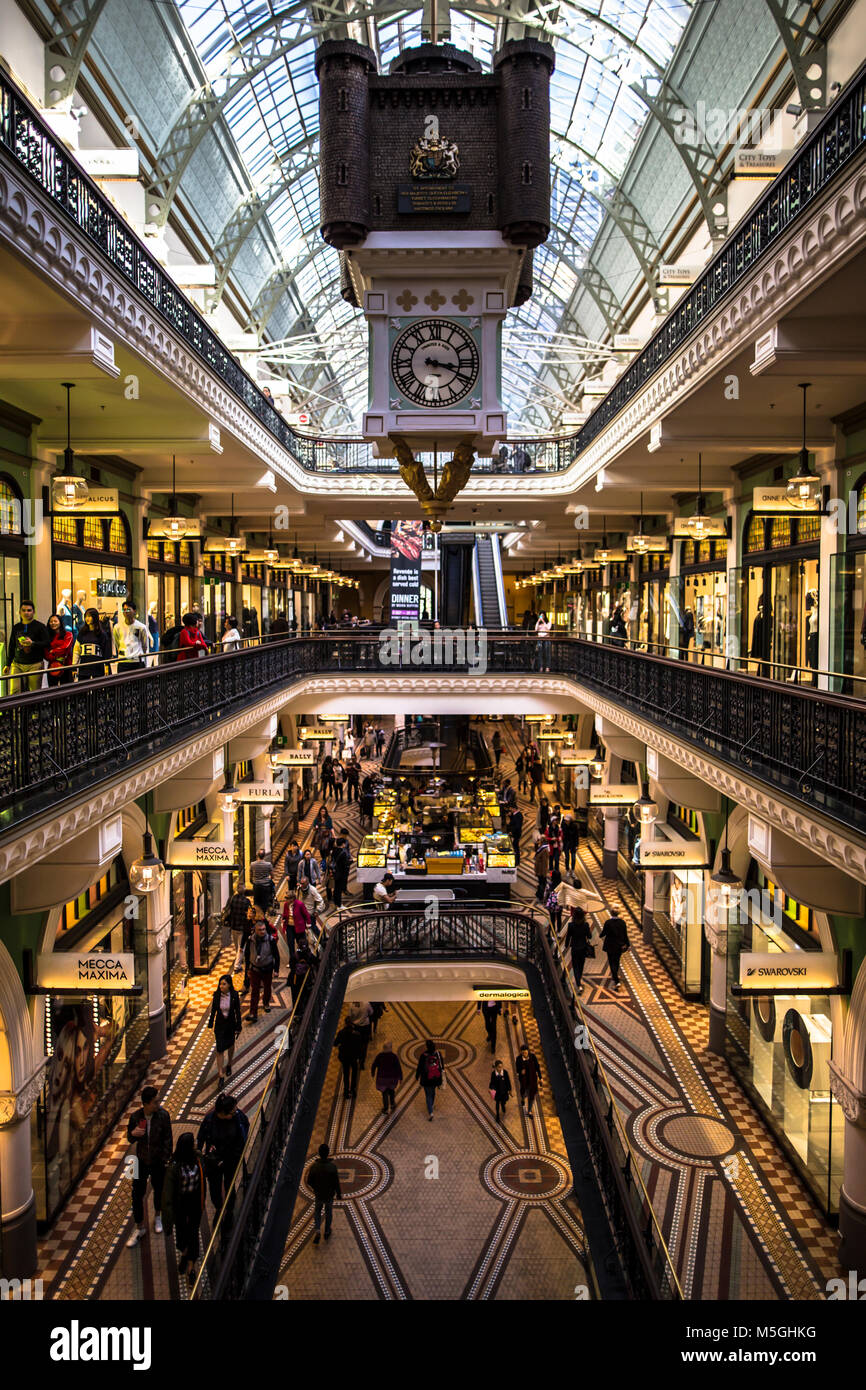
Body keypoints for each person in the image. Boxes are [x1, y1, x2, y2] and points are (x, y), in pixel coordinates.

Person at [125, 1085, 173, 1246]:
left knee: (159, 1189)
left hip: (158, 1161)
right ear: (145, 1104)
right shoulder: (135, 1117)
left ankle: (157, 1216)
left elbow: (168, 1139)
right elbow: (129, 1138)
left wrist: (166, 1159)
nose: (157, 1104)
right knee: (136, 1194)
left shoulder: (163, 1116)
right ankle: (139, 1227)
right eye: (154, 1102)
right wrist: (133, 1134)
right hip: (138, 1160)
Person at [197, 1093, 249, 1223]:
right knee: (214, 1187)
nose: (235, 1112)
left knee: (229, 1185)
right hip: (213, 1162)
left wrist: (234, 1156)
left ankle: (230, 1210)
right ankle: (219, 1209)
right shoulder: (210, 1120)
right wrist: (202, 1155)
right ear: (222, 1113)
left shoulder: (237, 1117)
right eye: (232, 1112)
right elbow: (201, 1137)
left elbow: (244, 1130)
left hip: (231, 1160)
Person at [160, 1131, 206, 1278]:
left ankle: (191, 1265)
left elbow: (205, 1170)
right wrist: (167, 1221)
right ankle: (185, 1253)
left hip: (195, 1202)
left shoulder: (197, 1158)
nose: (195, 1144)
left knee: (193, 1232)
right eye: (192, 1142)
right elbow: (167, 1195)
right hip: (181, 1204)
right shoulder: (174, 1167)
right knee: (181, 1233)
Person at [4, 599, 48, 691]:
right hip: (17, 664)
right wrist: (8, 664)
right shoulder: (16, 627)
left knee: (34, 691)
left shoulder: (40, 626)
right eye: (23, 610)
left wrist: (33, 643)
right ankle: (17, 706)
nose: (26, 613)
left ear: (33, 612)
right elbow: (12, 645)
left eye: (29, 610)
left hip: (35, 664)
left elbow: (47, 642)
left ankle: (33, 706)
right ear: (19, 612)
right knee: (14, 690)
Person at [207, 973, 242, 1088]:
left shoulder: (234, 995)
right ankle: (221, 1075)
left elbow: (237, 1011)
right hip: (220, 1027)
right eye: (220, 984)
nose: (221, 986)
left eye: (224, 984)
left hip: (230, 1025)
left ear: (229, 985)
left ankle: (229, 1064)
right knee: (220, 1049)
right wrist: (210, 1023)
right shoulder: (216, 995)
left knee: (231, 1045)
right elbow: (213, 1010)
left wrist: (239, 1026)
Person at [244, 918, 279, 1020]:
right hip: (255, 969)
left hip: (267, 968)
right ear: (255, 930)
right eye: (260, 930)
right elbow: (247, 955)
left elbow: (276, 955)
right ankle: (253, 1013)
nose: (262, 931)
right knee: (254, 990)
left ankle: (266, 1003)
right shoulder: (251, 940)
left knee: (267, 988)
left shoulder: (270, 940)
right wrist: (247, 969)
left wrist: (276, 970)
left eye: (264, 929)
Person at [307, 1142, 342, 1245]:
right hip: (329, 1195)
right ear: (327, 1153)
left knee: (317, 1212)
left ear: (319, 1153)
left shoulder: (314, 1167)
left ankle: (317, 1229)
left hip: (318, 1194)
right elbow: (336, 1183)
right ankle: (327, 1231)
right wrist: (339, 1194)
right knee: (328, 1212)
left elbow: (309, 1181)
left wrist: (315, 1188)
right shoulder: (332, 1167)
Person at [73, 607, 112, 680]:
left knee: (97, 689)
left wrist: (107, 666)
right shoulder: (82, 633)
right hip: (84, 668)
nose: (87, 618)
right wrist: (74, 666)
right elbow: (76, 650)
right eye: (86, 616)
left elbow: (106, 651)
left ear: (95, 617)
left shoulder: (102, 634)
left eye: (89, 616)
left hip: (98, 668)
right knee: (83, 688)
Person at [113, 600, 149, 673]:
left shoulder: (141, 627)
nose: (126, 612)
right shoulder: (117, 627)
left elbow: (144, 645)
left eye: (128, 609)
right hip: (123, 661)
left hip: (137, 661)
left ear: (134, 611)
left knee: (139, 683)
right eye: (124, 610)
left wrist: (141, 654)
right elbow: (117, 643)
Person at [565, 905, 594, 992]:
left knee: (575, 965)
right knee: (581, 965)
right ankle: (579, 981)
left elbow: (568, 937)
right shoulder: (585, 925)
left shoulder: (571, 925)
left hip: (574, 947)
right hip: (583, 947)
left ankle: (578, 983)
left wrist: (566, 945)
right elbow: (590, 936)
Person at [334, 1014, 364, 1099]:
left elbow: (335, 1043)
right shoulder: (357, 1034)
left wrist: (340, 1044)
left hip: (344, 1057)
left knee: (346, 1074)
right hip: (354, 1057)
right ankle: (353, 1090)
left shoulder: (341, 1033)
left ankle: (346, 1091)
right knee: (354, 1073)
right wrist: (360, 1057)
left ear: (345, 1023)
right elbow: (360, 1047)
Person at [416, 1039, 445, 1120]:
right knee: (432, 1091)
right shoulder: (438, 1054)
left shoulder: (423, 1055)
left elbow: (419, 1067)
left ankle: (430, 1112)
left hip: (426, 1078)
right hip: (436, 1078)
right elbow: (442, 1066)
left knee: (428, 1094)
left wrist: (417, 1076)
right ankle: (431, 1105)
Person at [226, 883, 253, 971]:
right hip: (242, 928)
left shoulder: (232, 899)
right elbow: (250, 914)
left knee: (237, 947)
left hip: (233, 926)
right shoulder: (246, 901)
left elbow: (228, 910)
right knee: (241, 947)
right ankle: (237, 966)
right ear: (244, 890)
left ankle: (239, 959)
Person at [600, 913, 630, 992]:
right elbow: (625, 935)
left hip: (610, 945)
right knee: (616, 961)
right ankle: (615, 976)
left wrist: (600, 935)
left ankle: (616, 980)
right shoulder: (622, 923)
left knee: (611, 962)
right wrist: (628, 945)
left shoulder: (608, 922)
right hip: (618, 946)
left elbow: (603, 933)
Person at [45, 613, 74, 687]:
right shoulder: (47, 637)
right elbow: (46, 654)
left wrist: (53, 651)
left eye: (55, 621)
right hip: (52, 668)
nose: (53, 623)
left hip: (66, 666)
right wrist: (56, 654)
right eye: (51, 621)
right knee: (52, 691)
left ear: (60, 622)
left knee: (67, 691)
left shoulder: (68, 634)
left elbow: (66, 648)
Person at [515, 1043, 542, 1113]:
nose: (525, 1054)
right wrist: (521, 1072)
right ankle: (523, 1099)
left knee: (532, 1095)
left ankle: (529, 1110)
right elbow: (517, 1069)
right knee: (524, 1092)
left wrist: (540, 1077)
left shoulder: (532, 1057)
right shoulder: (518, 1059)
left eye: (526, 1052)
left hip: (532, 1080)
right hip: (524, 1081)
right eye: (523, 1052)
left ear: (528, 1051)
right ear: (521, 1052)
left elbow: (537, 1067)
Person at [297, 875, 325, 940]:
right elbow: (298, 898)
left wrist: (317, 911)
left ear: (307, 883)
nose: (301, 885)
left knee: (313, 928)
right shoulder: (299, 889)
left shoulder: (313, 890)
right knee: (302, 929)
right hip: (301, 913)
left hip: (310, 914)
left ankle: (321, 940)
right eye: (301, 883)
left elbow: (320, 901)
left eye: (303, 883)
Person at [349, 999, 374, 1066]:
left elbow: (350, 1016)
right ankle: (362, 1062)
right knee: (364, 1045)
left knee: (356, 1044)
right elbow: (371, 1012)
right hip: (365, 1027)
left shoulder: (351, 1005)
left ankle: (356, 1058)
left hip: (356, 1027)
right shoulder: (366, 1003)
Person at [250, 848, 276, 912]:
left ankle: (257, 916)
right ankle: (263, 915)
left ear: (257, 855)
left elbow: (251, 876)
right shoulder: (268, 864)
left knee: (256, 902)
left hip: (256, 886)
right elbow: (273, 876)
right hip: (265, 886)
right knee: (264, 902)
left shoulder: (252, 864)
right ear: (264, 856)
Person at [489, 1059, 512, 1124]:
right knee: (497, 1104)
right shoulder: (494, 1074)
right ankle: (498, 1116)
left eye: (501, 1067)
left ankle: (503, 1105)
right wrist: (491, 1088)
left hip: (504, 1092)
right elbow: (492, 1083)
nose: (500, 1068)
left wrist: (509, 1089)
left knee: (504, 1101)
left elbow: (508, 1082)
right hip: (497, 1092)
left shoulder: (505, 1072)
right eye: (499, 1067)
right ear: (496, 1067)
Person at [332, 835, 351, 908]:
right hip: (341, 873)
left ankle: (336, 902)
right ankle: (339, 905)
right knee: (339, 889)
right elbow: (345, 864)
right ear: (343, 844)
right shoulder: (343, 853)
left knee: (336, 888)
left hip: (335, 872)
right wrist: (350, 861)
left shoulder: (334, 850)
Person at [534, 836, 549, 902]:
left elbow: (545, 863)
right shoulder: (541, 848)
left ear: (542, 841)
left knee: (542, 883)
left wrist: (544, 873)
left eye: (540, 840)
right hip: (539, 870)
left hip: (541, 871)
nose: (538, 841)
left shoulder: (544, 850)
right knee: (541, 883)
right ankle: (539, 894)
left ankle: (540, 896)